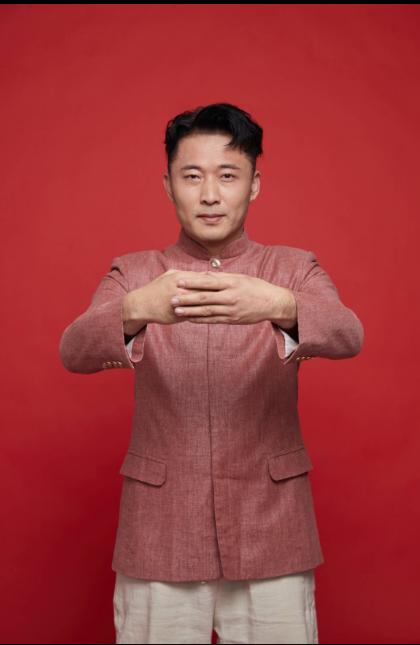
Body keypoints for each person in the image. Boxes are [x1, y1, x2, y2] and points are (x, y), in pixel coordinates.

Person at [59, 102, 364, 644]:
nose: (209, 195)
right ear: (168, 185)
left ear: (254, 185)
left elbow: (349, 334)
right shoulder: (134, 272)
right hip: (161, 532)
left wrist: (279, 304)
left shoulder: (293, 268)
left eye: (228, 176)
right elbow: (73, 350)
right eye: (192, 176)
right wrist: (137, 308)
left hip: (273, 529)